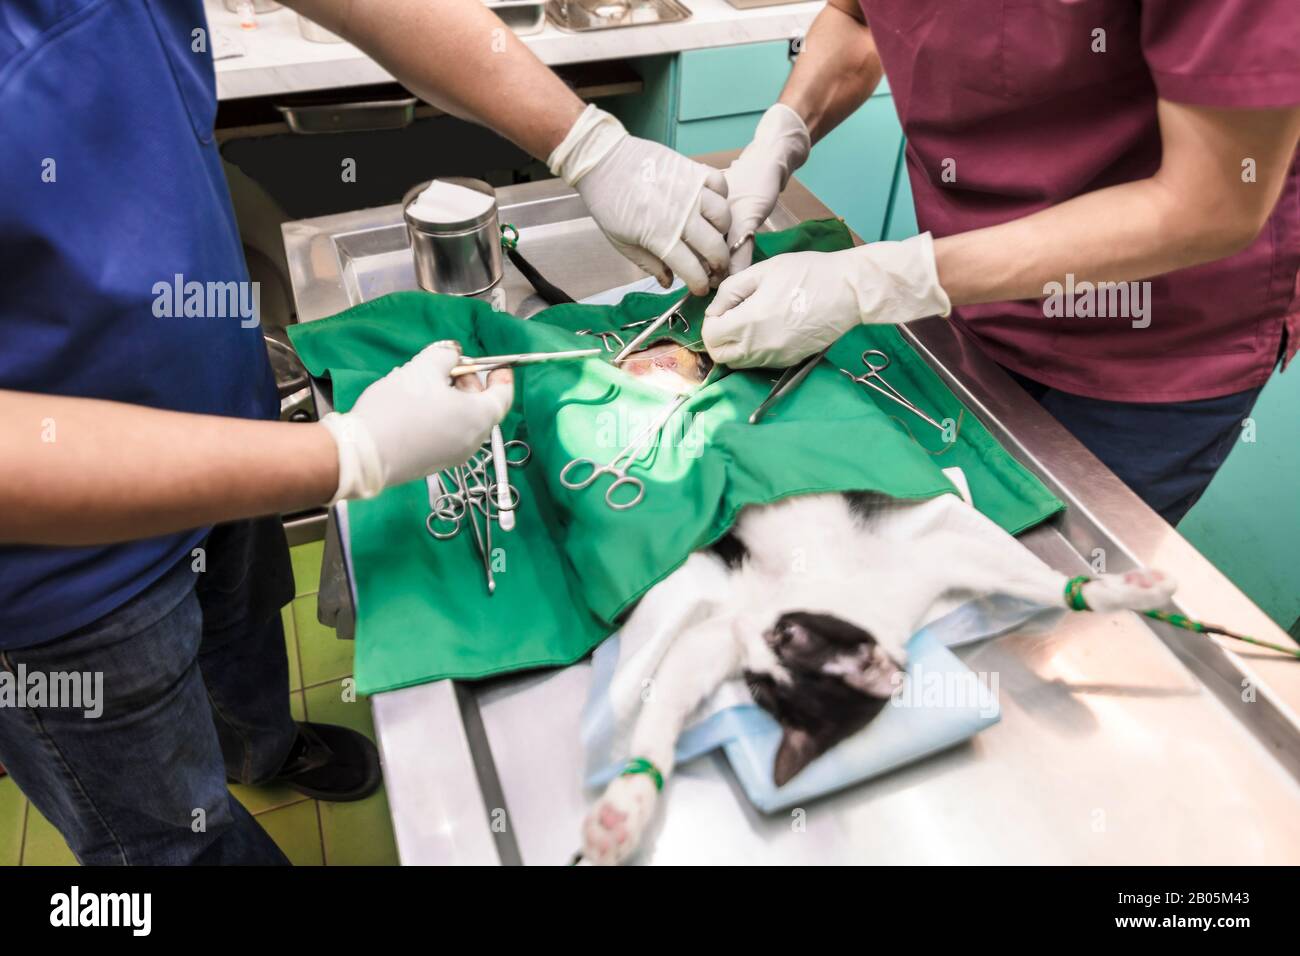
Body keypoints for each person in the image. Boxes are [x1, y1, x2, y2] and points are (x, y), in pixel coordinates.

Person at [0, 0, 729, 864]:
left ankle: (264, 748)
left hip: (224, 415)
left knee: (242, 639)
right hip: (61, 575)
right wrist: (349, 454)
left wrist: (589, 145)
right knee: (169, 836)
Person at [705, 0, 1300, 524]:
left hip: (1155, 340)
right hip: (968, 293)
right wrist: (781, 137)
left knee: (1044, 582)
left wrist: (879, 282)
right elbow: (857, 21)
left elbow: (1210, 204)